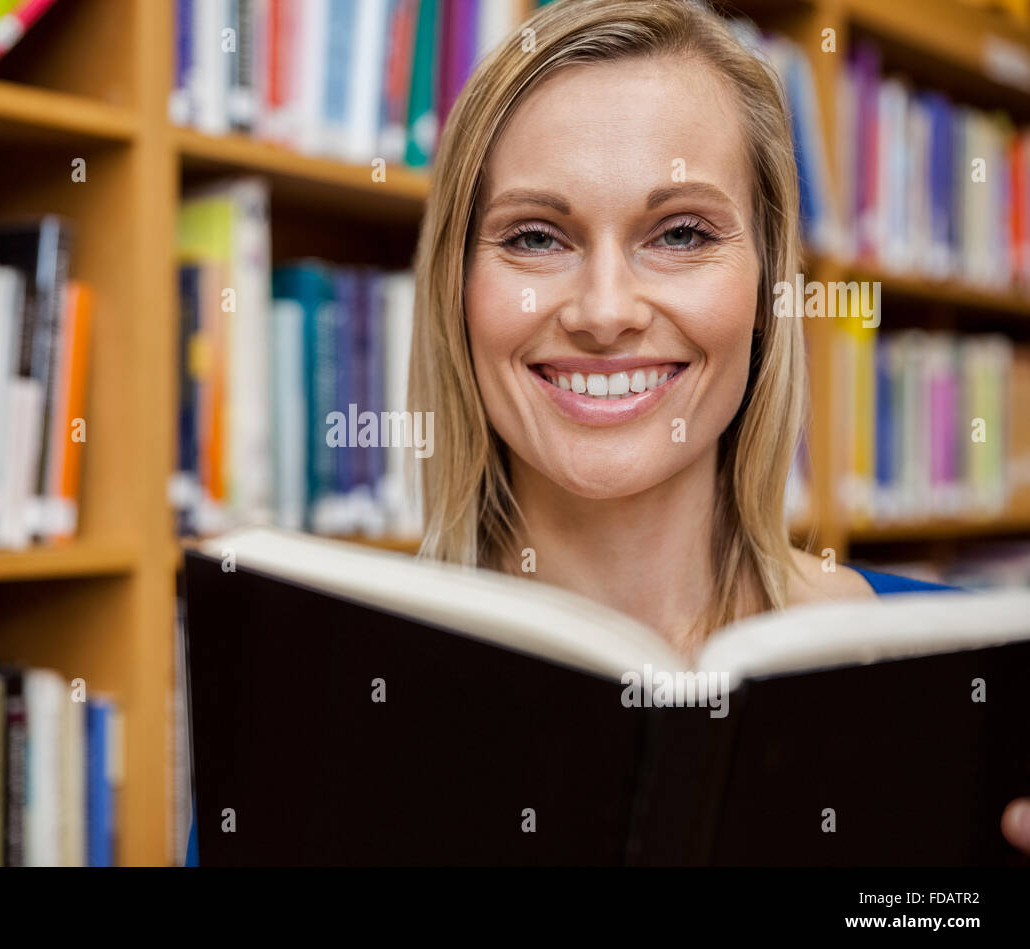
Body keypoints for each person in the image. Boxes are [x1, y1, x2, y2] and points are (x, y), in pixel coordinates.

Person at [404, 0, 1030, 857]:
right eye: (538, 237)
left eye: (683, 233)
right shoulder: (312, 690)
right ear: (456, 288)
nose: (605, 312)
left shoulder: (978, 685)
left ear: (771, 290)